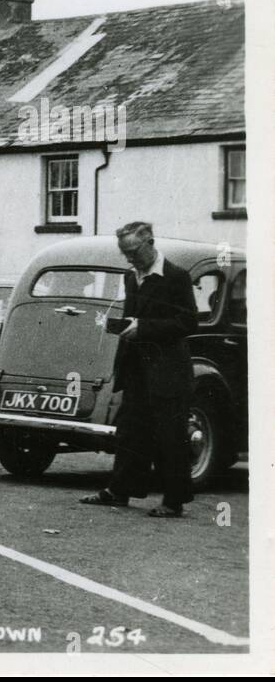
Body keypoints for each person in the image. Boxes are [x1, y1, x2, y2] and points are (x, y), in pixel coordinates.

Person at [81, 221, 197, 517]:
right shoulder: (131, 276)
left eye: (132, 251)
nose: (129, 258)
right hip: (136, 369)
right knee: (130, 431)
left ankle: (174, 501)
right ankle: (119, 491)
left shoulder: (176, 276)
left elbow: (187, 322)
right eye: (124, 252)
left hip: (168, 370)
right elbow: (133, 315)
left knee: (170, 435)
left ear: (150, 243)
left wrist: (143, 328)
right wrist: (123, 327)